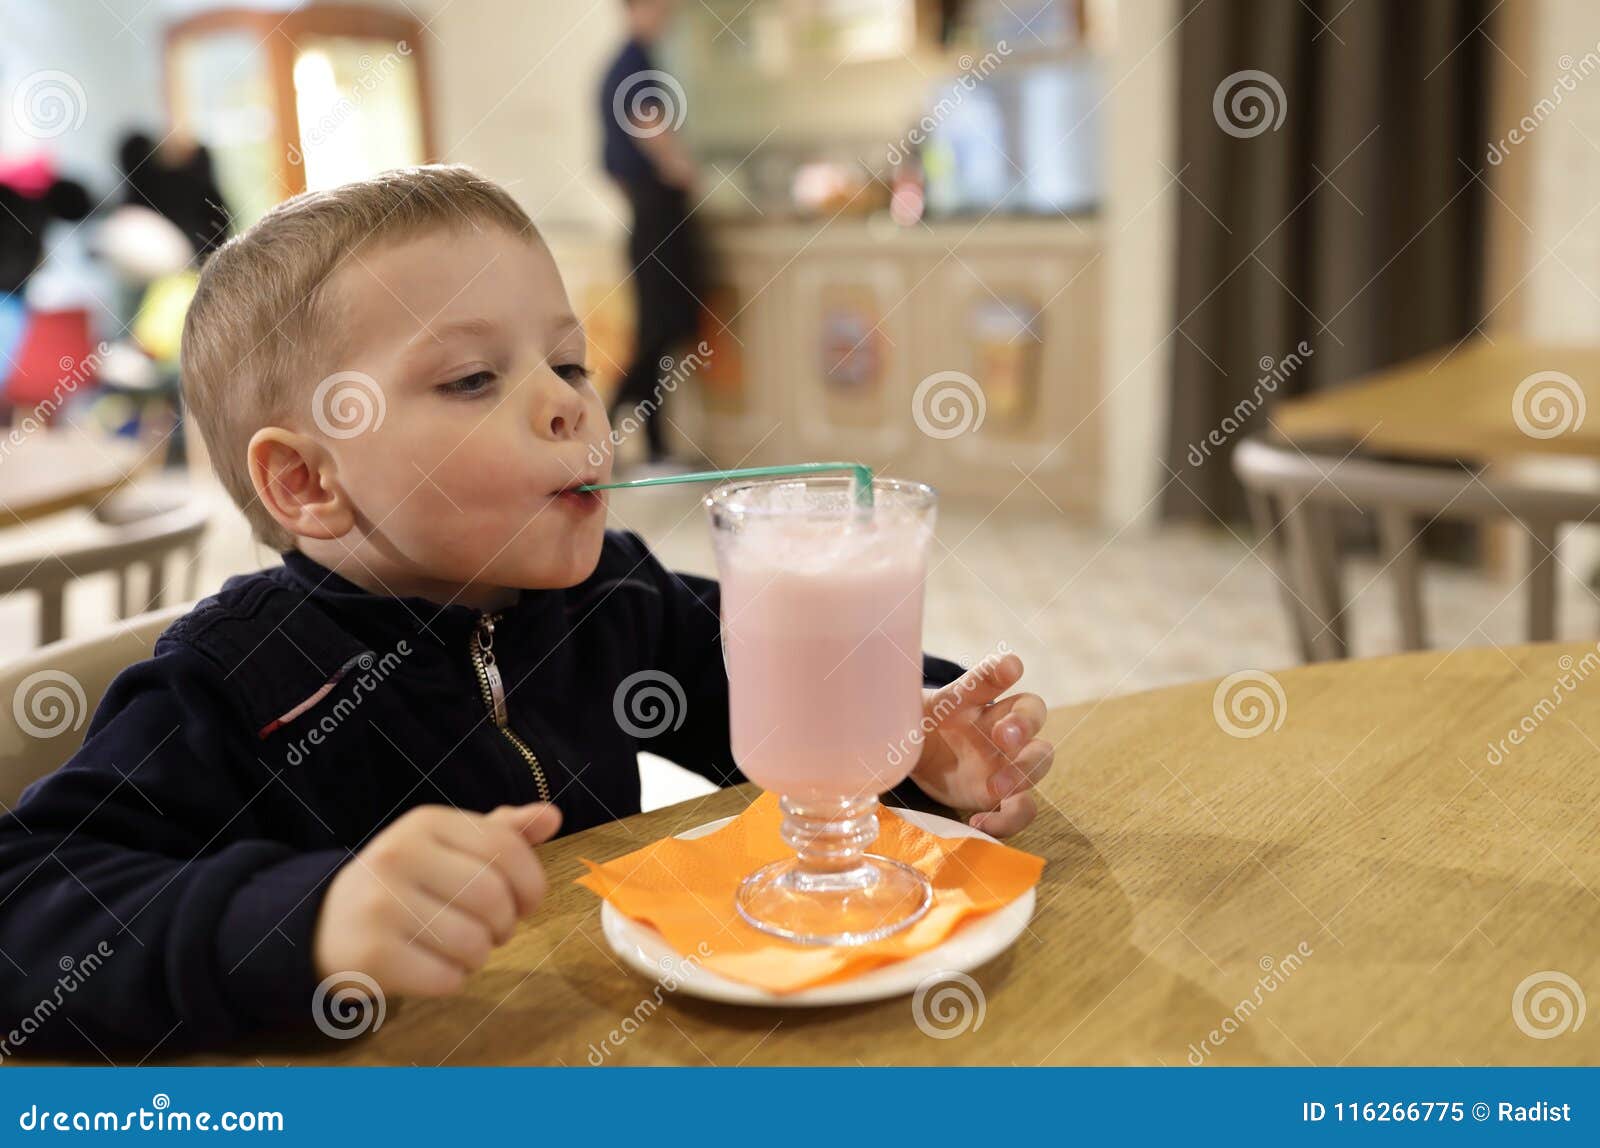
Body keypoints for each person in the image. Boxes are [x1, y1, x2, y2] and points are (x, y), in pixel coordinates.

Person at [0, 166, 1056, 1054]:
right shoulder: (239, 677)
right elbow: (27, 911)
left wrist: (915, 727)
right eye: (469, 378)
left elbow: (778, 685)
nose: (567, 403)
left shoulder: (611, 593)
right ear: (309, 484)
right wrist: (308, 917)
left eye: (566, 362)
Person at [599, 0, 706, 466]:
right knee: (661, 330)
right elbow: (652, 132)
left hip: (647, 215)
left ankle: (657, 445)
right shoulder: (634, 64)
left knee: (658, 332)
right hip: (658, 216)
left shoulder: (625, 64)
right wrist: (685, 173)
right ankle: (603, 426)